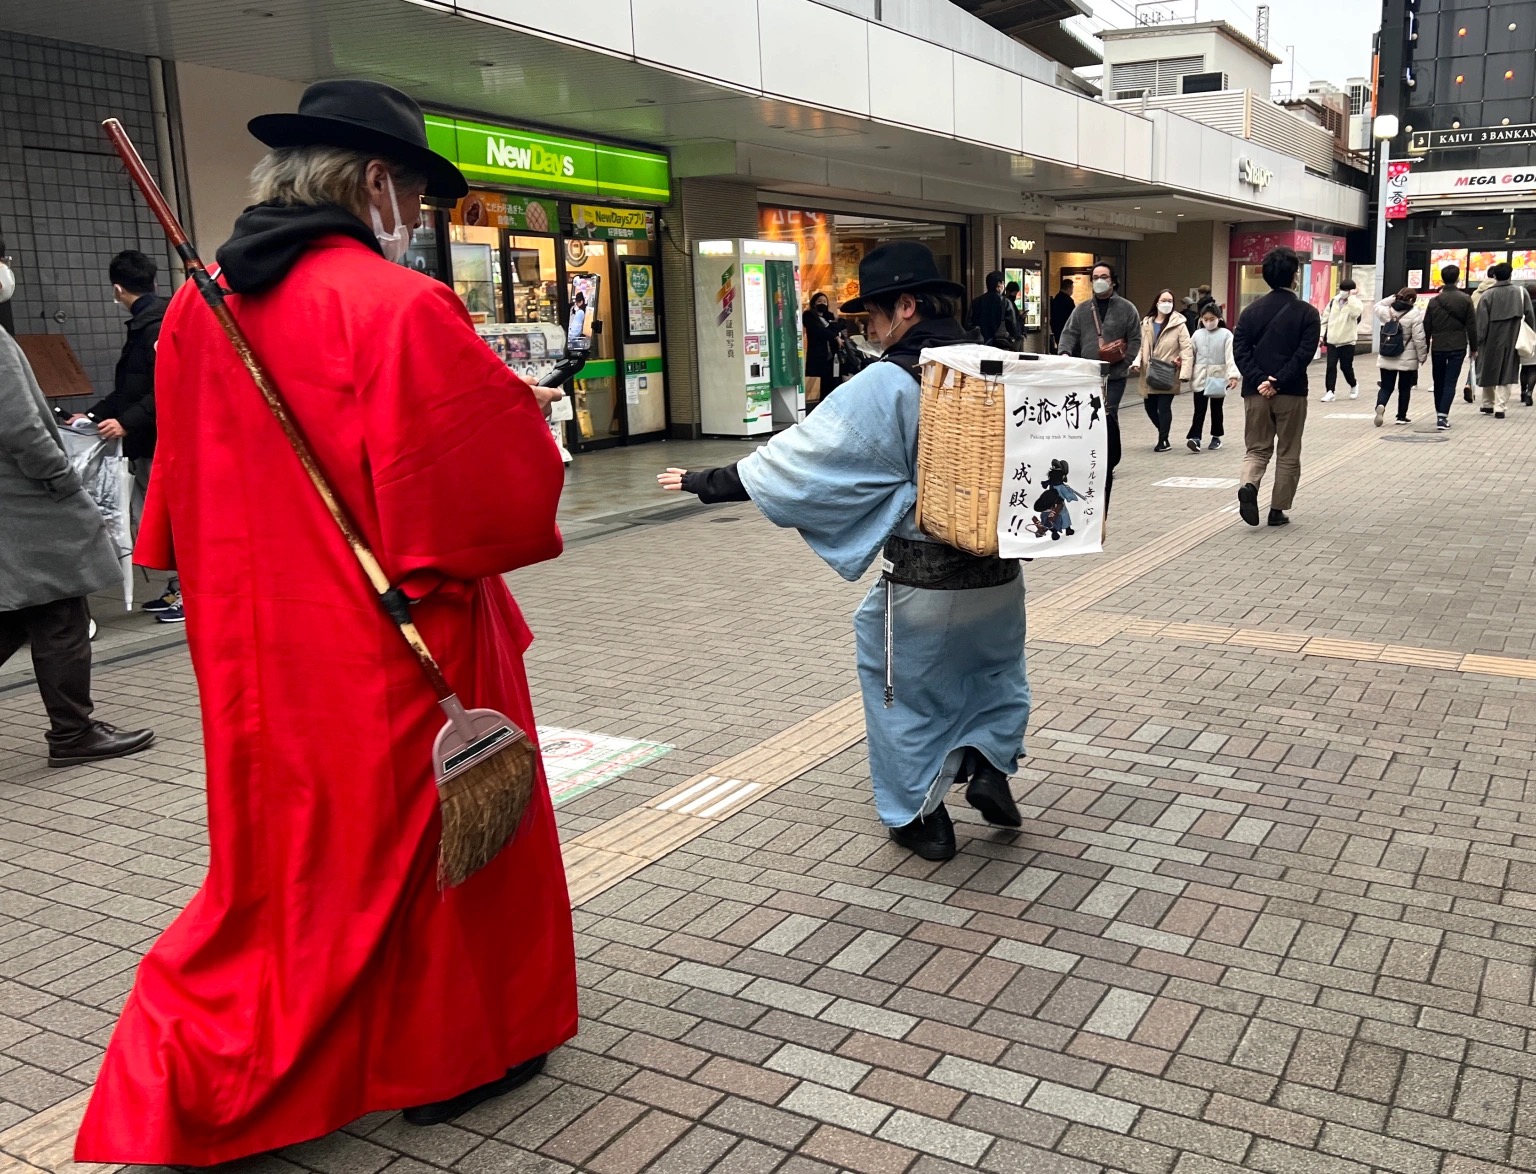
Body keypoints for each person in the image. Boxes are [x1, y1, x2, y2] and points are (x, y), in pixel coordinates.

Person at [75, 80, 575, 1165]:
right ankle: (459, 1050)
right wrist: (515, 416)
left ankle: (224, 1049)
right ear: (376, 185)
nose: (414, 221)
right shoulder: (397, 306)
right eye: (414, 197)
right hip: (403, 636)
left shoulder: (201, 309)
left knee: (295, 860)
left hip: (256, 644)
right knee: (444, 849)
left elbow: (182, 502)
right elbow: (497, 496)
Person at [657, 242, 1046, 864]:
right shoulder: (1000, 364)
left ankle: (922, 819)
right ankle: (990, 764)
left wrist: (711, 480)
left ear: (907, 307)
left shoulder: (892, 381)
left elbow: (801, 461)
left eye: (873, 317)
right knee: (993, 676)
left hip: (926, 584)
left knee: (903, 695)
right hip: (1001, 579)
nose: (868, 329)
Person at [0, 313, 157, 767]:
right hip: (29, 500)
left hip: (11, 503)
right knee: (63, 610)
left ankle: (74, 729)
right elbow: (20, 425)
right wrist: (62, 479)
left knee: (27, 613)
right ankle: (72, 733)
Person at [70, 250, 178, 621]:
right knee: (154, 515)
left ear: (118, 289)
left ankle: (186, 592)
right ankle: (178, 587)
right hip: (152, 439)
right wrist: (96, 414)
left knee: (170, 516)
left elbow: (166, 386)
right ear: (154, 281)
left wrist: (127, 422)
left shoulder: (154, 325)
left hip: (161, 440)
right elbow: (131, 388)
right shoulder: (152, 321)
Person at [1233, 247, 1321, 528]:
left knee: (1257, 449)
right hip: (1292, 392)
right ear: (1294, 275)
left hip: (1255, 392)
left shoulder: (1249, 312)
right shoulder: (1307, 313)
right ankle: (1277, 510)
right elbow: (1304, 353)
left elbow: (1240, 351)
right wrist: (1278, 380)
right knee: (1288, 451)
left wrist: (1260, 380)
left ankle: (1249, 484)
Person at [1057, 262, 1140, 415]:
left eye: (1104, 277)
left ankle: (1111, 439)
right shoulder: (1082, 309)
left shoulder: (1127, 309)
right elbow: (1069, 333)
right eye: (1095, 278)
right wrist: (1064, 352)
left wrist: (1125, 363)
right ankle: (1104, 440)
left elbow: (1135, 339)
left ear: (1113, 281)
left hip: (1115, 375)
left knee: (1107, 412)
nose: (1099, 281)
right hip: (1088, 373)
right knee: (1090, 414)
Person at [1130, 287, 1192, 452]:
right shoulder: (1146, 323)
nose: (1166, 304)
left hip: (1167, 370)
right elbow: (1140, 346)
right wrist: (1136, 362)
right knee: (1149, 407)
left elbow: (1187, 349)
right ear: (1156, 302)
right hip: (1149, 371)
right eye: (1163, 300)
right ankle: (1162, 431)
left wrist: (1185, 373)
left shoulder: (1179, 324)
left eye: (1170, 301)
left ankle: (1163, 440)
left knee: (1164, 407)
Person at [1474, 261, 1536, 419]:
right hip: (1513, 336)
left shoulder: (1487, 295)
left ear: (1494, 276)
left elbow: (1481, 321)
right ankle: (1500, 406)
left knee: (1488, 367)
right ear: (1511, 274)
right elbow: (1529, 316)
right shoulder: (1520, 293)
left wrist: (1478, 341)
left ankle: (1487, 403)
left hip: (1490, 337)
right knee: (1507, 369)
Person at [1422, 265, 1475, 431]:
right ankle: (1442, 416)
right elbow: (1472, 326)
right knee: (1450, 382)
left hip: (1438, 345)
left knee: (1438, 380)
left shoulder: (1434, 301)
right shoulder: (1466, 299)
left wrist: (1425, 345)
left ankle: (1440, 412)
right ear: (1458, 278)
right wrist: (1474, 347)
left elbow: (1427, 325)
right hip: (1458, 345)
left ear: (1442, 279)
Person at [1373, 286, 1428, 427]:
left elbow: (1377, 305)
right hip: (1406, 357)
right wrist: (1422, 356)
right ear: (1412, 300)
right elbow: (1419, 338)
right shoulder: (1414, 313)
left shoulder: (1387, 311)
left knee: (1386, 387)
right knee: (1404, 388)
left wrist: (1391, 298)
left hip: (1387, 354)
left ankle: (1381, 405)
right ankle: (1401, 416)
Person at [1187, 304, 1238, 452]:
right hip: (1200, 376)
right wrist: (1184, 370)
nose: (1209, 322)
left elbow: (1231, 357)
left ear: (1219, 318)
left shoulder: (1226, 335)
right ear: (1201, 319)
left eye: (1212, 319)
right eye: (1205, 319)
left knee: (1216, 408)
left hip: (1218, 376)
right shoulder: (1197, 335)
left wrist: (1233, 376)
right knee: (1199, 409)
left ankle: (1216, 436)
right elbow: (1190, 355)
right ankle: (1195, 437)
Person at [1320, 278, 1363, 402]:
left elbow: (1355, 314)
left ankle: (1354, 385)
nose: (1343, 292)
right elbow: (1325, 320)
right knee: (1330, 366)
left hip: (1347, 341)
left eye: (1346, 290)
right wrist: (1322, 335)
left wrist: (1352, 299)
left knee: (1346, 367)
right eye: (1342, 289)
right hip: (1332, 340)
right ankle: (1330, 391)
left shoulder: (1356, 303)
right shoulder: (1333, 301)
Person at [802, 290, 845, 408]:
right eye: (819, 301)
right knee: (826, 383)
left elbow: (839, 326)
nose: (822, 304)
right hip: (820, 354)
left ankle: (834, 406)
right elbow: (819, 330)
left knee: (835, 381)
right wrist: (834, 336)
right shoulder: (808, 315)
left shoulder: (828, 316)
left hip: (833, 355)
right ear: (814, 303)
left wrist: (835, 325)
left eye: (825, 301)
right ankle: (823, 407)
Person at [967, 270, 1020, 348]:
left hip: (980, 344)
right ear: (999, 284)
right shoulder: (1005, 302)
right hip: (1000, 345)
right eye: (1003, 283)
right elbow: (1013, 325)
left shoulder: (976, 301)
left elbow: (968, 324)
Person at [1049, 277, 1075, 352]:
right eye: (1072, 288)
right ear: (1068, 288)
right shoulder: (1068, 301)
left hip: (1057, 331)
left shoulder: (1056, 299)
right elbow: (1072, 318)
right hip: (1067, 331)